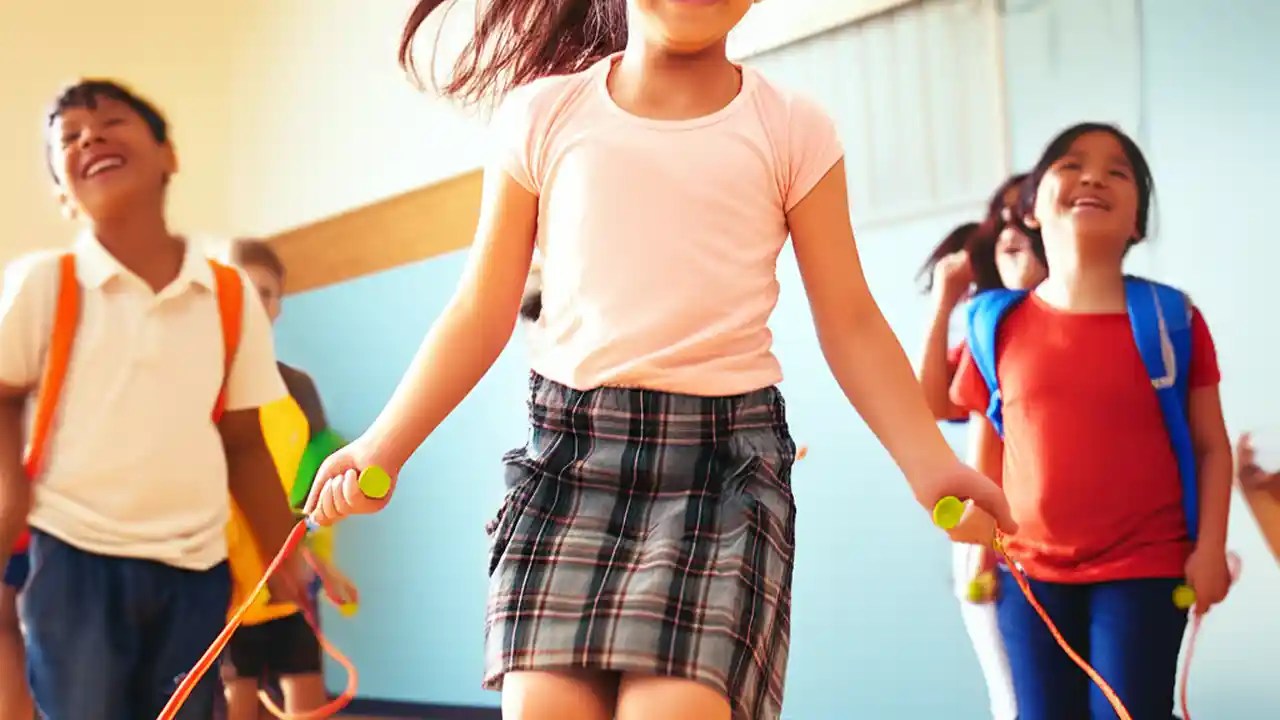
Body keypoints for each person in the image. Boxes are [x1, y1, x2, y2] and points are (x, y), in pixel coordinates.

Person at [305, 3, 1014, 720]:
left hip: (723, 470)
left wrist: (931, 465)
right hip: (570, 463)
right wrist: (382, 446)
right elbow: (478, 311)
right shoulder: (542, 114)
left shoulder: (793, 127)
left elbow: (852, 320)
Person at [0, 80, 312, 720]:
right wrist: (10, 493)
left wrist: (285, 553)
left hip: (195, 565)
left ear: (168, 155)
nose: (91, 137)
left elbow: (245, 445)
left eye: (113, 122)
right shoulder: (44, 283)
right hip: (72, 558)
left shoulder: (227, 297)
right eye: (69, 139)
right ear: (62, 190)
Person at [948, 123, 1233, 719]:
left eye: (1118, 171)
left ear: (1136, 223)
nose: (1094, 176)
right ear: (1029, 207)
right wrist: (982, 547)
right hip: (1027, 574)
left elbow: (1211, 446)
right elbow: (990, 449)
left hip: (1146, 570)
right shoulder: (994, 325)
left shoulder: (1172, 320)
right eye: (1071, 164)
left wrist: (1210, 549)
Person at [915, 175, 1048, 720]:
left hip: (1070, 536)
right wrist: (946, 302)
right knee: (1019, 700)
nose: (1014, 229)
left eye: (1027, 217)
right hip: (1001, 540)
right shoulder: (993, 329)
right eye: (1005, 222)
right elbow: (933, 404)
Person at [219, 239, 358, 719]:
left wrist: (321, 565)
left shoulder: (298, 389)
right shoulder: (205, 384)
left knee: (306, 690)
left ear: (279, 306)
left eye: (266, 292)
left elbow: (315, 491)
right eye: (242, 287)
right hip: (230, 581)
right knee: (239, 696)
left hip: (289, 570)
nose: (256, 301)